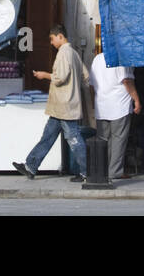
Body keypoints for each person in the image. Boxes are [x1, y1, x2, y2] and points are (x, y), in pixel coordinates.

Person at [14, 25, 91, 182]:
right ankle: (30, 166)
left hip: (64, 105)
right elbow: (86, 75)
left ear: (60, 36)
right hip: (64, 105)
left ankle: (87, 172)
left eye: (52, 39)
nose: (51, 42)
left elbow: (60, 77)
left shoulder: (64, 53)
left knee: (74, 139)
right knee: (48, 137)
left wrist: (44, 75)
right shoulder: (74, 53)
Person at [89, 41, 140, 180]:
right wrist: (137, 100)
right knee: (118, 140)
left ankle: (103, 170)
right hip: (119, 106)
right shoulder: (121, 58)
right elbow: (127, 81)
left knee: (103, 140)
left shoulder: (97, 59)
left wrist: (94, 102)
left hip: (102, 106)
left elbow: (91, 84)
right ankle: (115, 172)